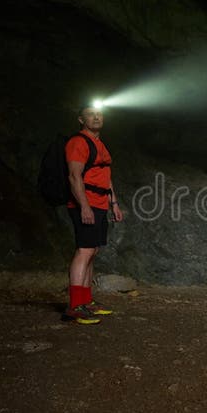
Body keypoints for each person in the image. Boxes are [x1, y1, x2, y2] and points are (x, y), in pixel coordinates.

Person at [64, 104, 124, 324]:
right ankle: (74, 306)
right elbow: (74, 176)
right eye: (91, 114)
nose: (97, 117)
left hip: (99, 203)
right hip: (85, 203)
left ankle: (86, 301)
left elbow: (104, 176)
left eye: (99, 114)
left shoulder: (99, 144)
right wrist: (84, 206)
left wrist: (113, 203)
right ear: (81, 119)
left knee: (93, 251)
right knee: (84, 251)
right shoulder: (78, 142)